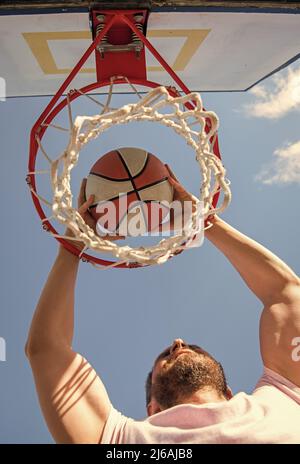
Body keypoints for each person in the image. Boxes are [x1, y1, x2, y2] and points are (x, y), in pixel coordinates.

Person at [25, 170, 300, 444]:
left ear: (229, 393)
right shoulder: (118, 439)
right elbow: (46, 350)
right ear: (152, 409)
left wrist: (205, 222)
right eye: (165, 356)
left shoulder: (284, 397)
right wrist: (72, 246)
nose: (178, 343)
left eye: (191, 347)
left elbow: (287, 293)